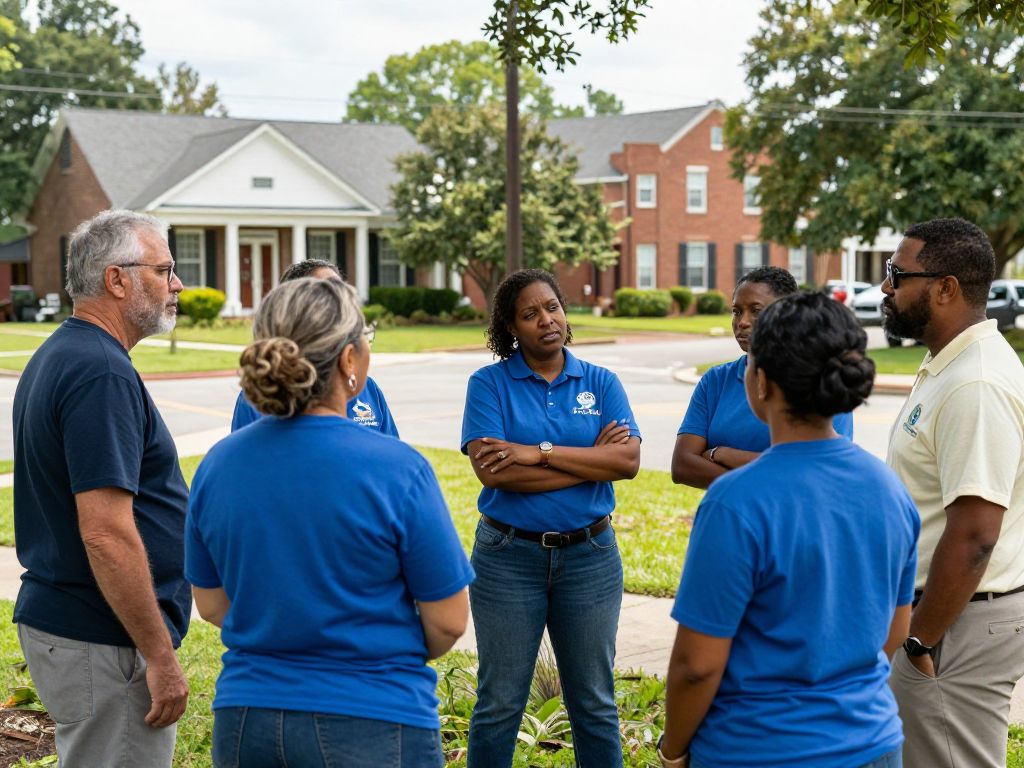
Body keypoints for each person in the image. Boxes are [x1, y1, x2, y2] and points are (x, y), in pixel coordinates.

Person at [185, 277, 473, 768]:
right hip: (374, 716)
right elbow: (448, 621)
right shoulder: (398, 469)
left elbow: (211, 604)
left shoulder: (218, 465)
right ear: (348, 359)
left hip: (248, 718)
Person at [659, 291, 919, 768]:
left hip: (760, 748)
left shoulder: (735, 502)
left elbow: (696, 665)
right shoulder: (889, 488)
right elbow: (895, 629)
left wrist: (672, 750)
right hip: (874, 742)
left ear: (761, 381)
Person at [12, 210, 191, 767]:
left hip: (82, 629)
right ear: (117, 280)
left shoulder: (66, 353)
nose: (177, 284)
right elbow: (106, 533)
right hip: (103, 639)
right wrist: (159, 655)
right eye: (163, 270)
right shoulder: (99, 372)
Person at [460, 268, 642, 768]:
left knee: (595, 702)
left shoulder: (601, 382)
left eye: (553, 307)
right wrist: (589, 463)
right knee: (499, 703)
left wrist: (536, 453)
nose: (546, 320)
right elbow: (493, 473)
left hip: (590, 558)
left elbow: (627, 461)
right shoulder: (489, 384)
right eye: (530, 313)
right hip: (507, 558)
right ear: (511, 328)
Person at [882, 218, 1024, 768]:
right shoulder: (951, 363)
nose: (886, 287)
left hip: (956, 623)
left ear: (945, 288)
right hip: (942, 616)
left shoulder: (976, 382)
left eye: (898, 275)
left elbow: (974, 535)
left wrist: (919, 641)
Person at [671, 266, 853, 489]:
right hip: (729, 511)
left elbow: (819, 468)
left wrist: (723, 454)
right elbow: (682, 466)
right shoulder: (715, 381)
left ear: (787, 315)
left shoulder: (819, 378)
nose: (742, 322)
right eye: (736, 311)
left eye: (756, 310)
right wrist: (768, 477)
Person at [230, 258, 398, 437]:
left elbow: (390, 445)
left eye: (340, 290)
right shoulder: (260, 396)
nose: (340, 300)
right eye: (325, 292)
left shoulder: (368, 389)